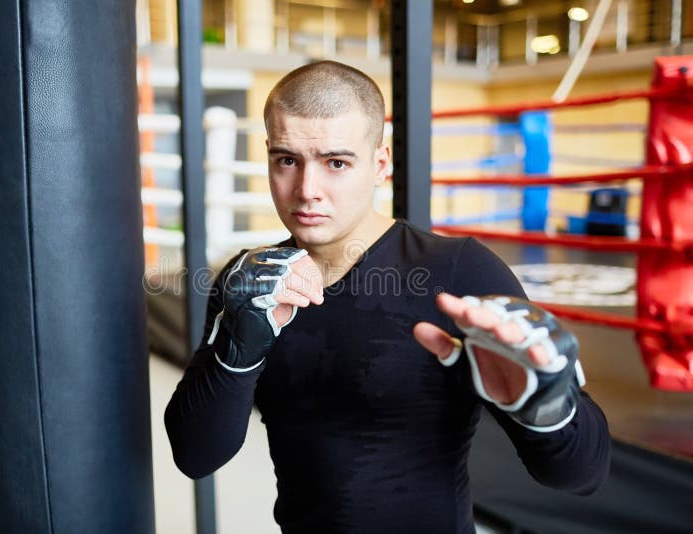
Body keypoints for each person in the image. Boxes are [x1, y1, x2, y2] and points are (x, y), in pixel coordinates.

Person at [165, 60, 610, 533]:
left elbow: (581, 474)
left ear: (381, 164)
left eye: (336, 162)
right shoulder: (250, 282)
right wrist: (237, 350)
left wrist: (545, 406)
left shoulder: (458, 271)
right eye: (287, 160)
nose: (307, 191)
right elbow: (196, 455)